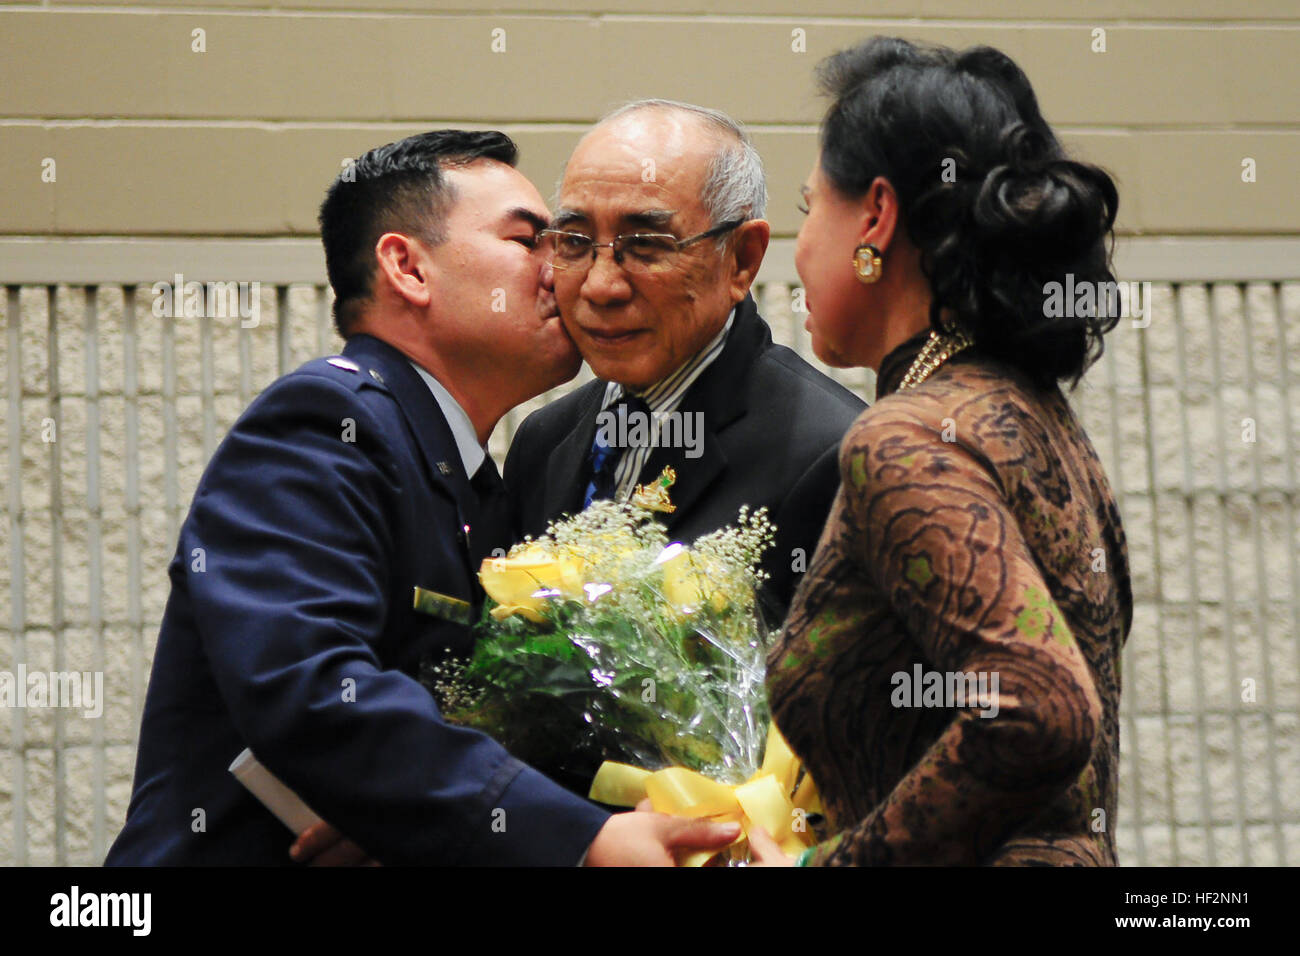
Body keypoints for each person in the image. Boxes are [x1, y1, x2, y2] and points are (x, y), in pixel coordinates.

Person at [105, 130, 740, 866]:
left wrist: (402, 819)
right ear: (408, 267)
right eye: (529, 240)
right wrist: (581, 841)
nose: (563, 270)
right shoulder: (322, 426)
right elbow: (313, 689)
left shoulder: (473, 475)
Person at [755, 37, 1133, 866]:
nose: (798, 246)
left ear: (876, 220)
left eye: (807, 206)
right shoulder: (1036, 416)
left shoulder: (908, 435)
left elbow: (1038, 705)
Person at [507, 100, 865, 629]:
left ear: (742, 259)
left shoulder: (830, 454)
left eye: (647, 245)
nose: (601, 286)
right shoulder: (545, 440)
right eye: (577, 243)